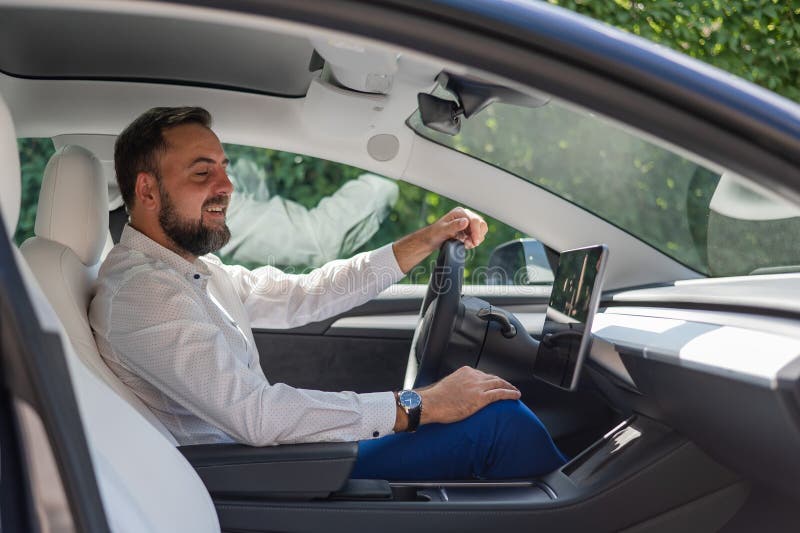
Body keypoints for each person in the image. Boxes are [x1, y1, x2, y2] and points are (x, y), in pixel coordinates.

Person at [89, 106, 565, 480]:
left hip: (271, 460)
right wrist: (418, 404)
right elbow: (256, 415)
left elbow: (306, 294)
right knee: (501, 425)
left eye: (224, 168)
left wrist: (425, 239)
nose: (227, 185)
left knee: (494, 417)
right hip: (257, 478)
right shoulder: (142, 293)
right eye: (202, 173)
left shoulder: (187, 269)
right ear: (147, 191)